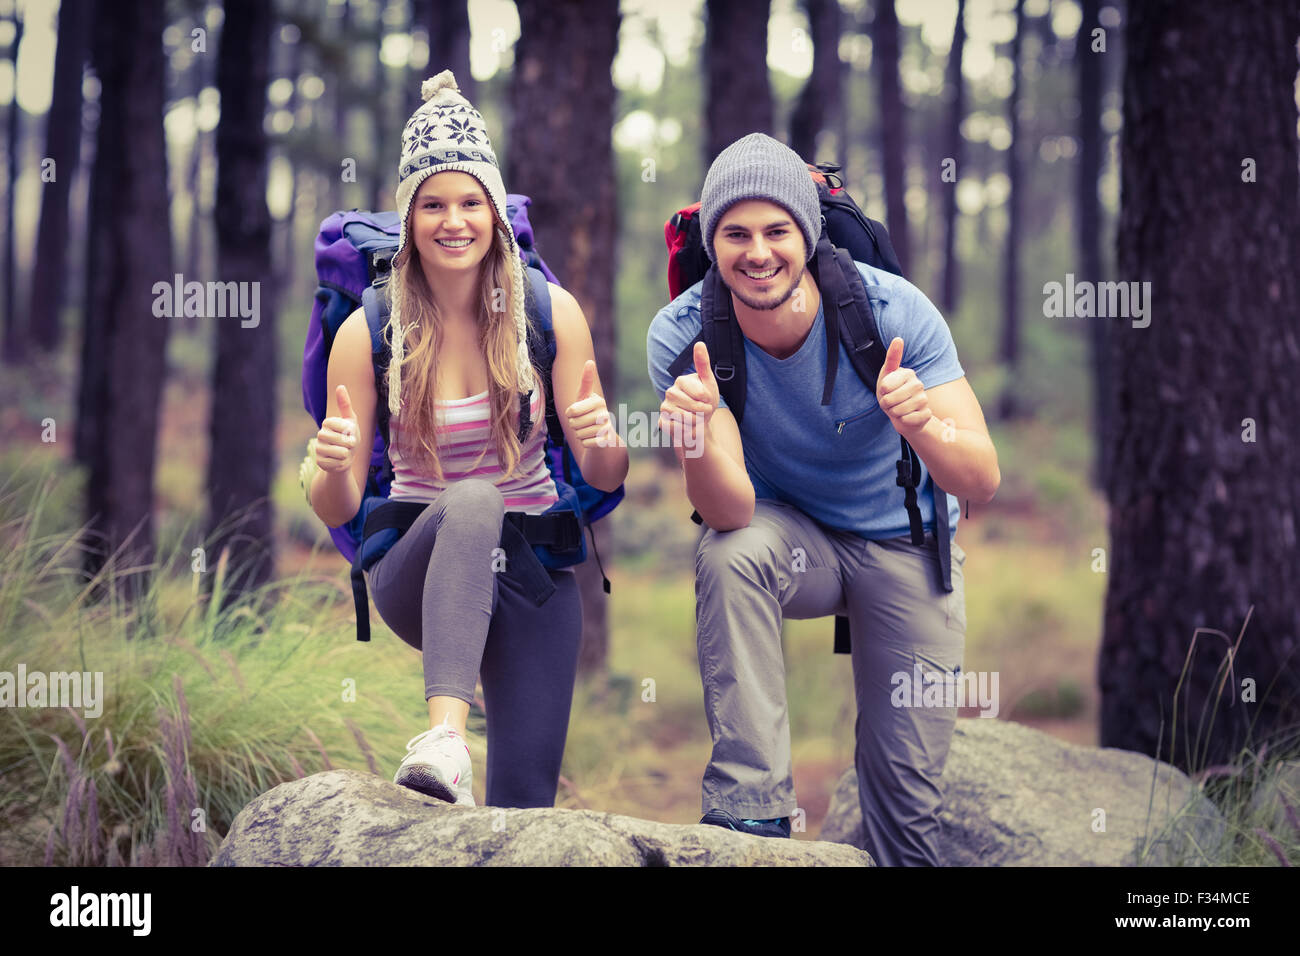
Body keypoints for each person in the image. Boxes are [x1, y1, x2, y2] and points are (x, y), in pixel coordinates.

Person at [646, 133, 999, 865]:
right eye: (736, 233)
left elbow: (981, 480)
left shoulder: (891, 311)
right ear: (713, 243)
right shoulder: (685, 337)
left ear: (805, 235)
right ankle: (753, 821)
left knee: (905, 809)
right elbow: (732, 515)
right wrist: (693, 436)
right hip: (792, 539)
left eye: (777, 230)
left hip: (903, 543)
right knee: (730, 553)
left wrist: (921, 422)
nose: (758, 251)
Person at [309, 71, 627, 808]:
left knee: (523, 808)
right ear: (410, 217)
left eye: (469, 202)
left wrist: (602, 440)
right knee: (477, 498)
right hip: (417, 570)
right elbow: (339, 500)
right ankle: (444, 738)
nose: (453, 221)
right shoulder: (368, 330)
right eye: (433, 204)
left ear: (493, 211)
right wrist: (327, 467)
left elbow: (606, 475)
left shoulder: (552, 313)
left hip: (537, 573)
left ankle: (479, 784)